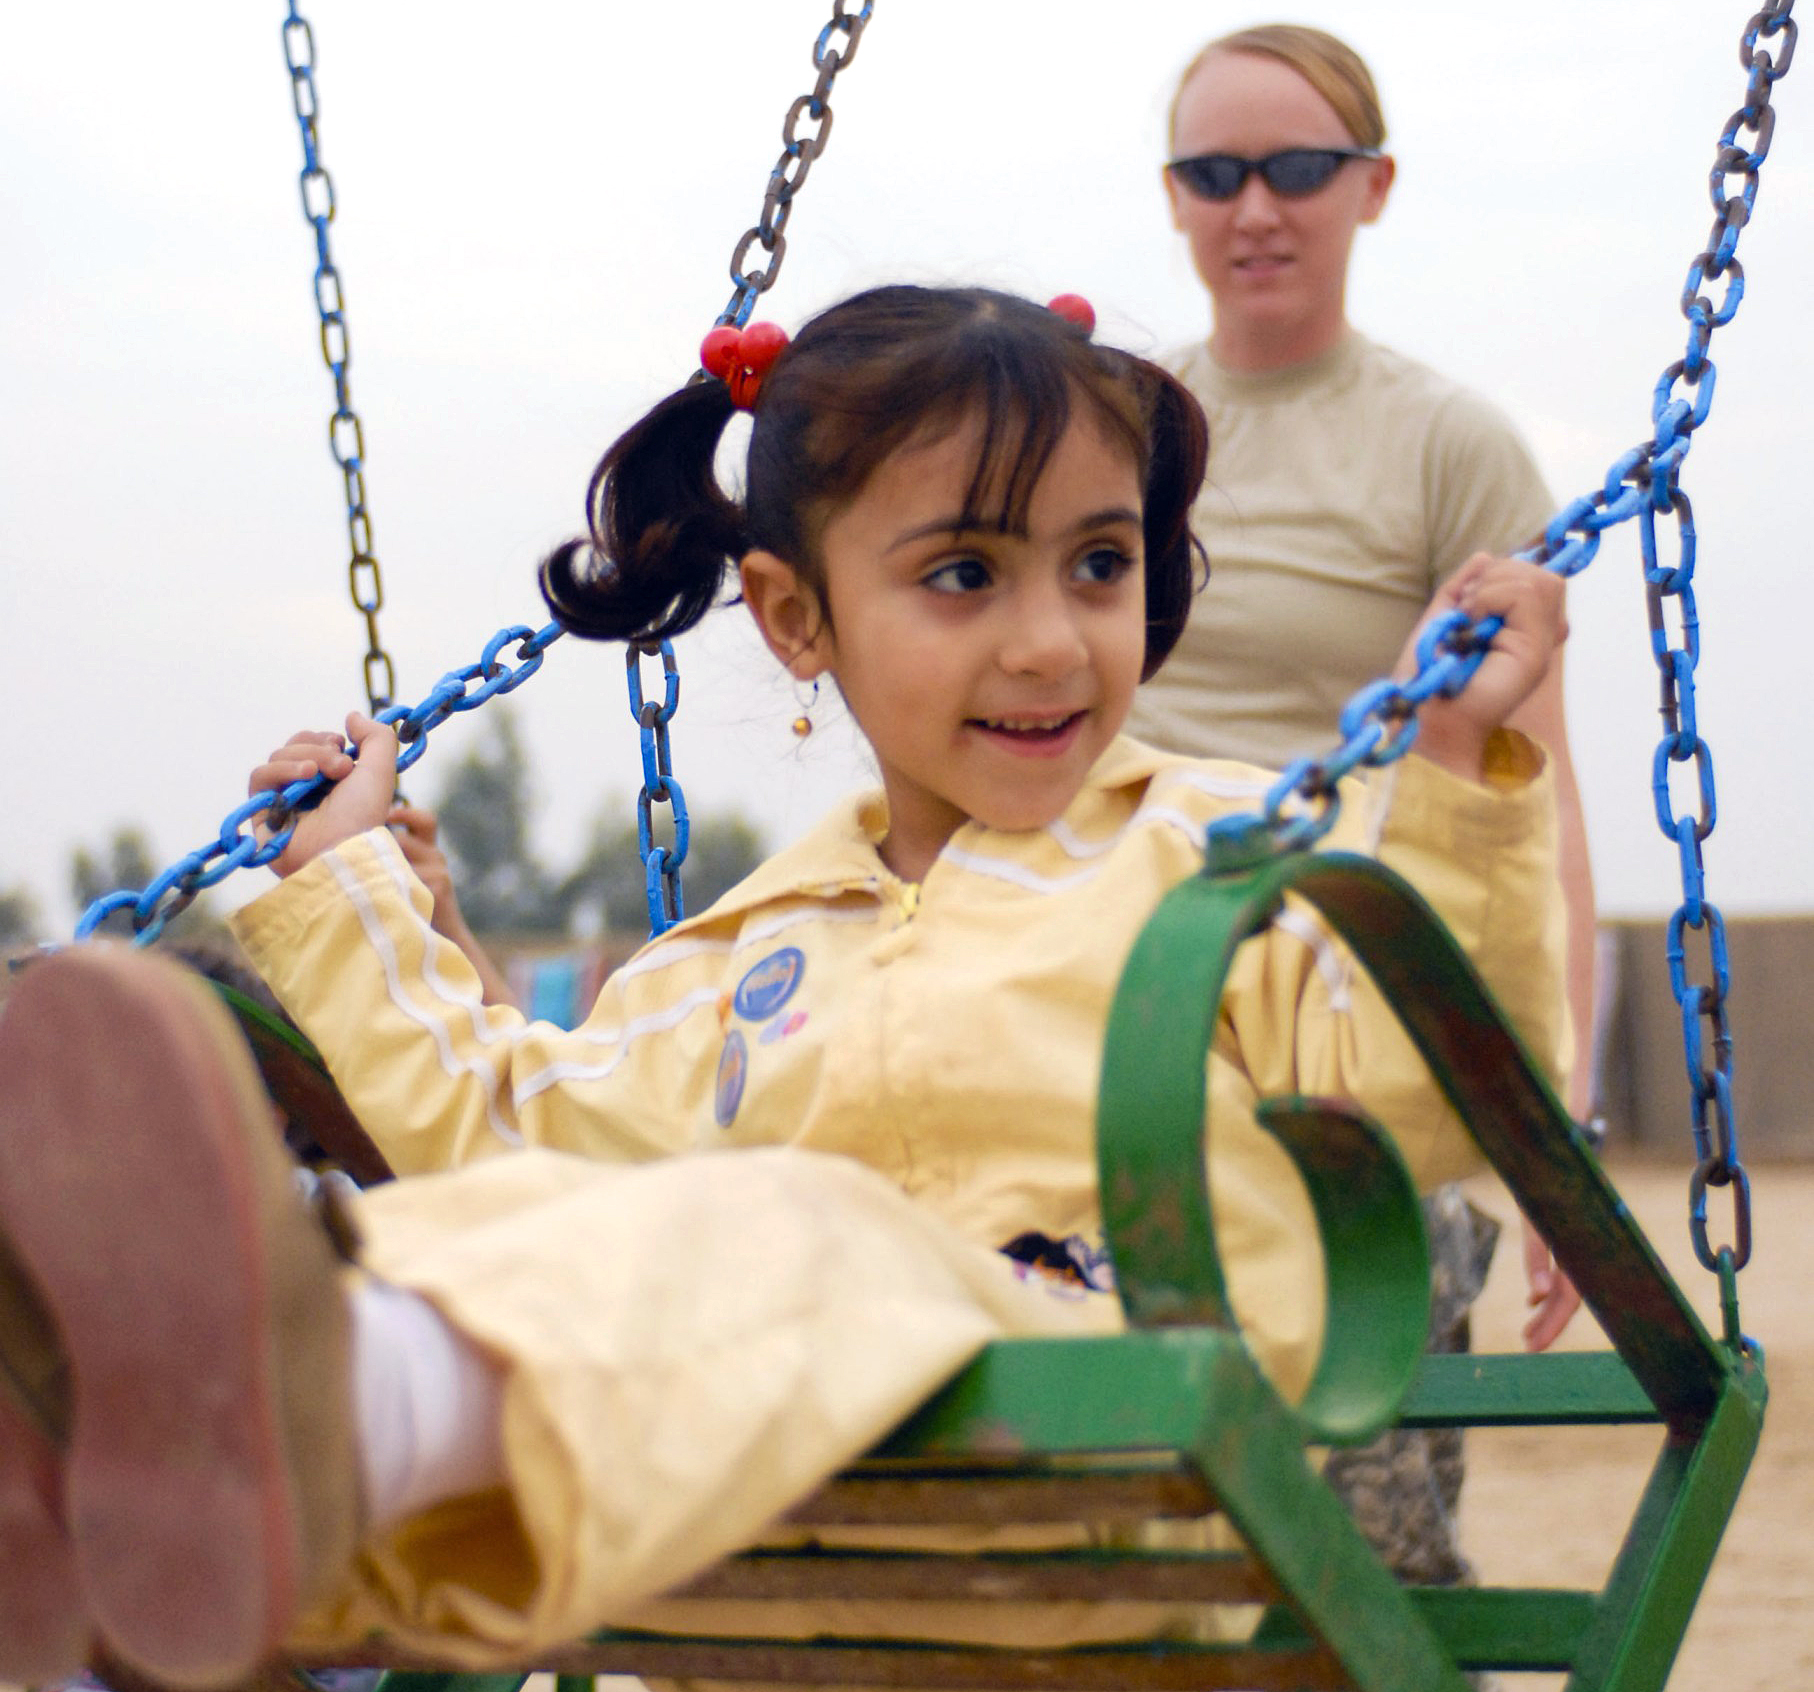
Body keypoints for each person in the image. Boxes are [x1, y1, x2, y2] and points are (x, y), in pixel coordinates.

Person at [0, 284, 1569, 1691]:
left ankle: (331, 1410)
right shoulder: (750, 955)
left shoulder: (1228, 860)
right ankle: (98, 1458)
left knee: (800, 1229)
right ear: (796, 615)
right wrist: (350, 885)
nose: (1048, 641)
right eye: (964, 575)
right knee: (553, 1221)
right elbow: (515, 1138)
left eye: (1099, 564)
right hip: (794, 1519)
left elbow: (1441, 1092)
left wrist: (1454, 784)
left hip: (1119, 1459)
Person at [1134, 23, 1595, 1592]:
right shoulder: (1123, 431)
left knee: (1360, 1548)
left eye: (1298, 168)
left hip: (1346, 997)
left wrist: (1554, 1129)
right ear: (1173, 198)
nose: (1253, 207)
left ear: (1372, 188)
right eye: (1213, 172)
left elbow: (1532, 775)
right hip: (1133, 979)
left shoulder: (1440, 441)